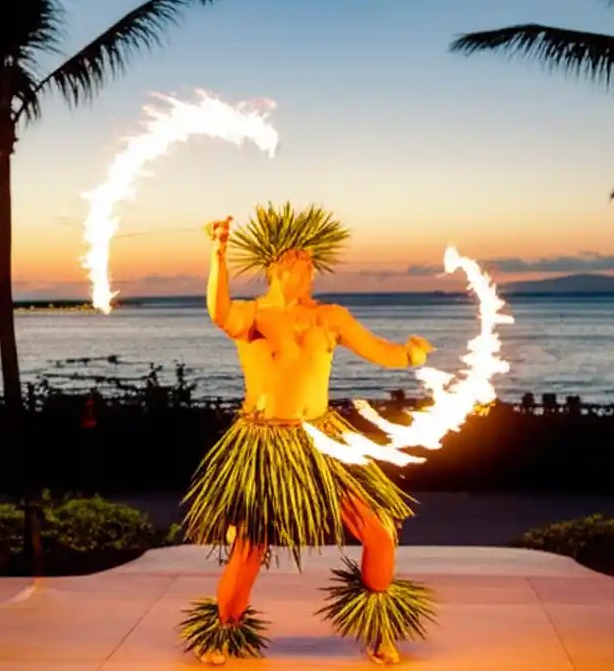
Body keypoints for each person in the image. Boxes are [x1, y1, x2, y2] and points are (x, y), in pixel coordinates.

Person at [178, 202, 437, 665]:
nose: (310, 272)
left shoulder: (330, 317)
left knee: (377, 530)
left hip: (320, 440)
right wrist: (218, 252)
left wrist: (411, 355)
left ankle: (379, 631)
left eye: (313, 265)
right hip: (262, 444)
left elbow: (382, 352)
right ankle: (223, 632)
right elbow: (218, 313)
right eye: (302, 264)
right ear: (277, 267)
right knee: (251, 547)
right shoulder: (251, 316)